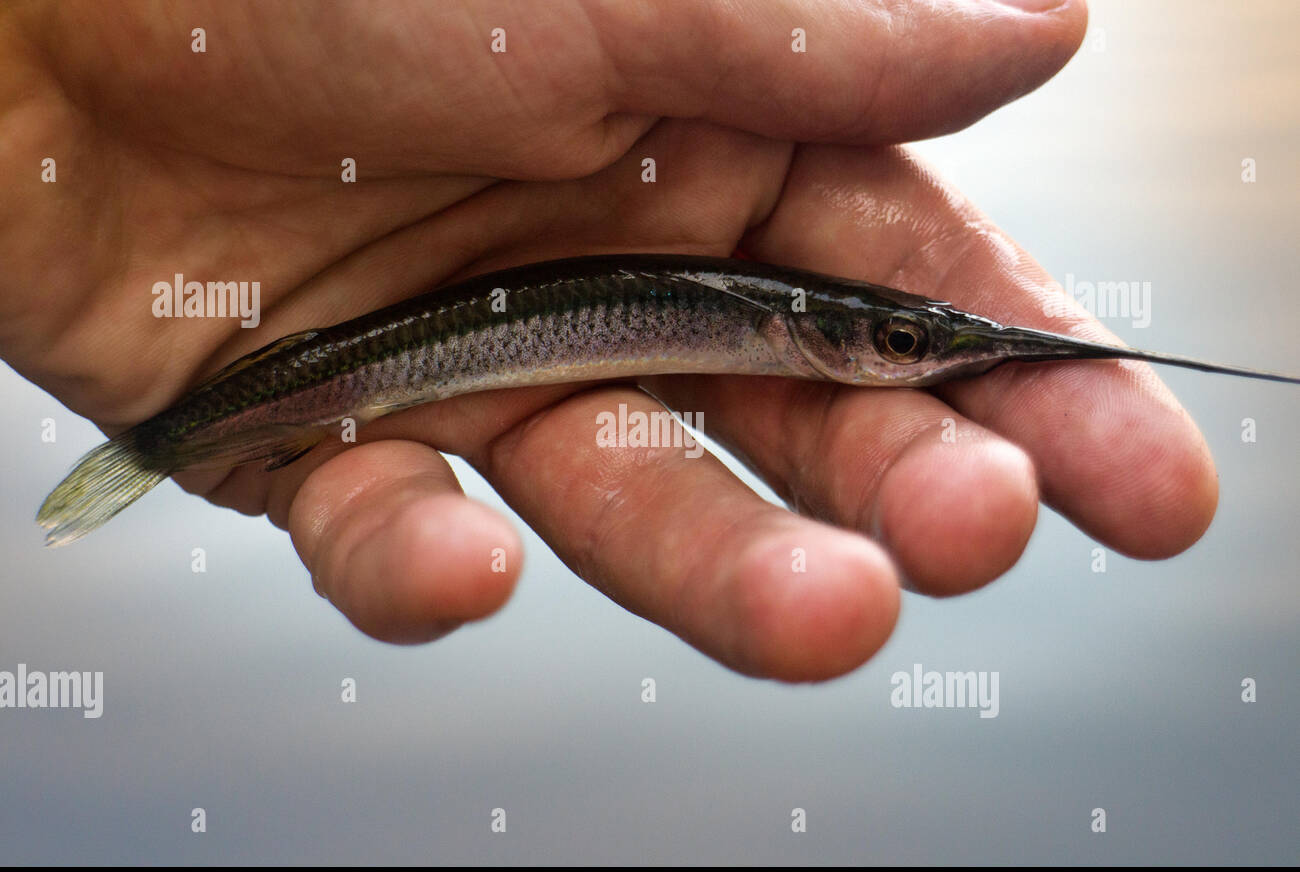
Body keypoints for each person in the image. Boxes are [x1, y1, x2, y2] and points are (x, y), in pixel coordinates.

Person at [0, 0, 1215, 680]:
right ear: (811, 330)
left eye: (910, 344)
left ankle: (153, 450)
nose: (916, 351)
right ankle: (151, 451)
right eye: (901, 340)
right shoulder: (771, 317)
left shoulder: (776, 321)